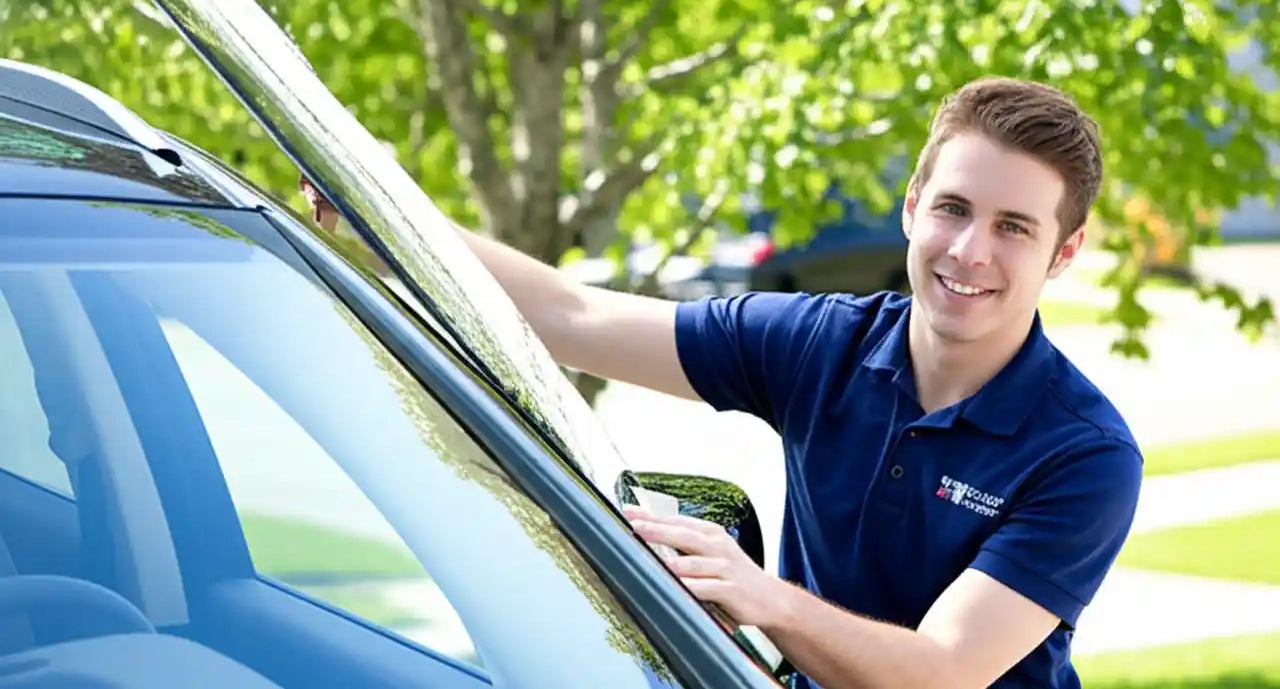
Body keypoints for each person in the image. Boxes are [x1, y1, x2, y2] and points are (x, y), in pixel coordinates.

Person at [318, 77, 1143, 688]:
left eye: (1013, 228)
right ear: (912, 206)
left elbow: (942, 674)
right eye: (954, 209)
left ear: (1062, 253)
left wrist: (764, 599)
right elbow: (571, 316)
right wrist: (386, 215)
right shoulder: (822, 345)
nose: (969, 251)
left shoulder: (1084, 454)